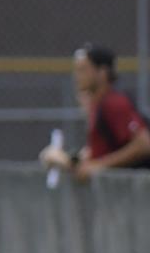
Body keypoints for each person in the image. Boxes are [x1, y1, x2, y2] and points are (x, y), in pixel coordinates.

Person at [39, 44, 150, 177]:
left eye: (83, 70)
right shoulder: (98, 107)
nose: (77, 76)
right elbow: (98, 155)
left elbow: (144, 145)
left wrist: (98, 166)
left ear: (102, 72)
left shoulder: (114, 103)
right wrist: (65, 160)